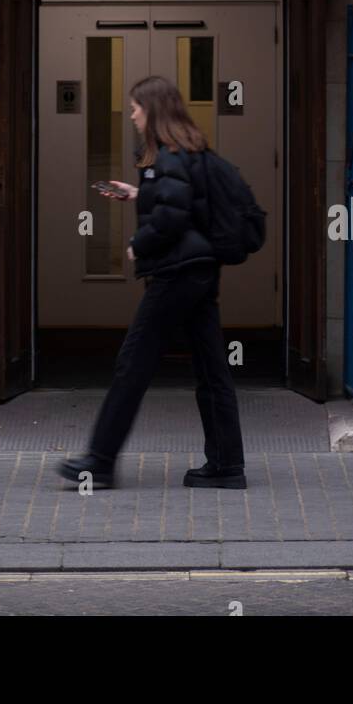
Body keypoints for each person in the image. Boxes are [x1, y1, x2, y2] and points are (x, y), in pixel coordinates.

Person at [57, 75, 246, 491]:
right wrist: (136, 195)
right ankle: (227, 465)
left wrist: (138, 245)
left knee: (133, 364)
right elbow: (183, 203)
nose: (133, 116)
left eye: (137, 109)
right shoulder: (192, 150)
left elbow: (173, 217)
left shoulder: (169, 156)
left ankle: (100, 461)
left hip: (175, 276)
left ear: (153, 110)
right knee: (213, 369)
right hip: (199, 272)